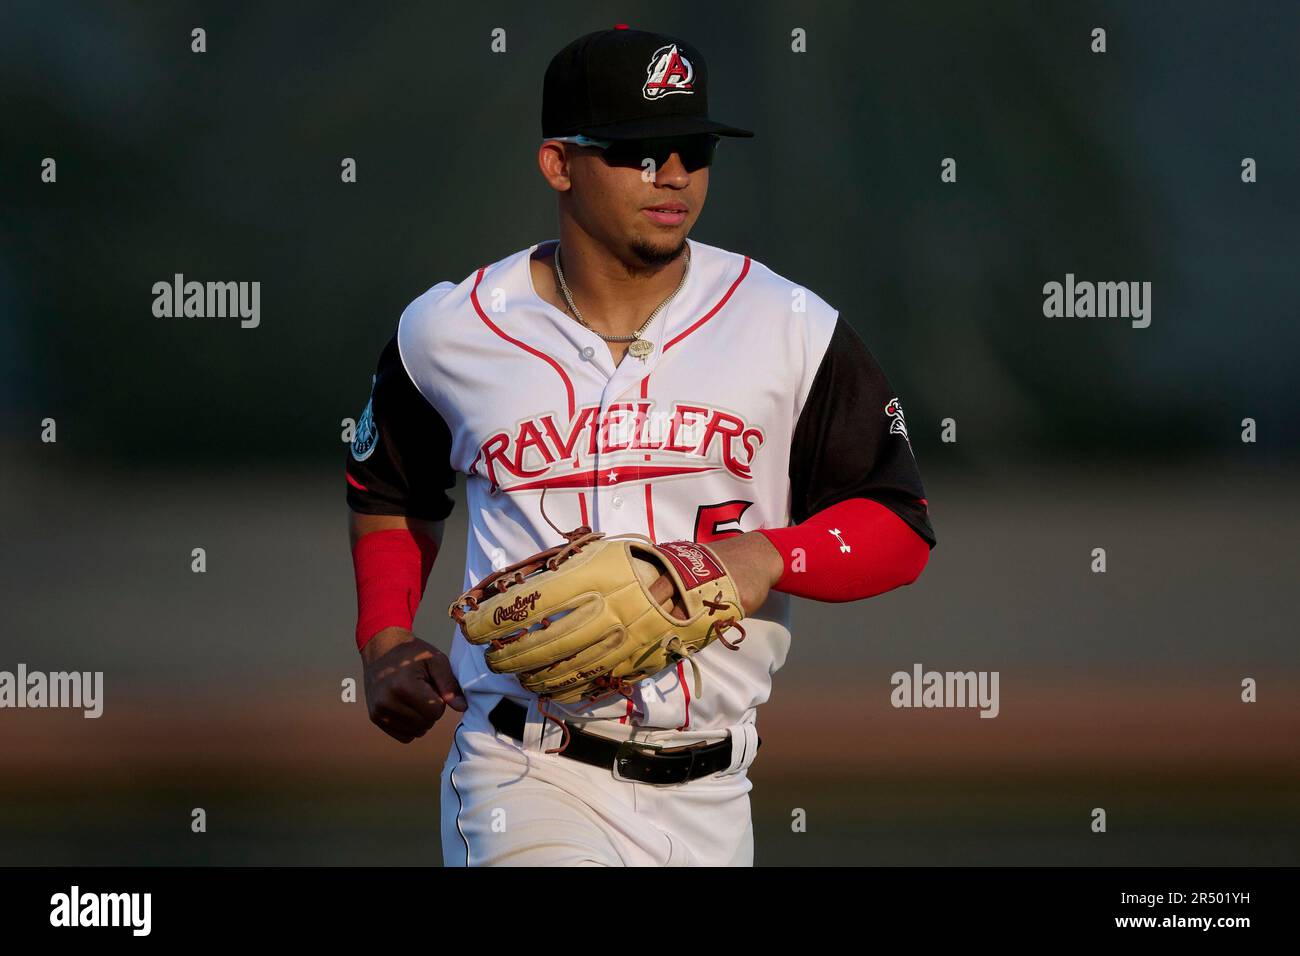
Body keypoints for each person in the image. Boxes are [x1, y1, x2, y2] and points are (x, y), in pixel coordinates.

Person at [345, 25, 936, 866]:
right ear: (558, 164)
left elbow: (898, 523)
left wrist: (762, 557)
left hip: (716, 795)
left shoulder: (789, 326)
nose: (673, 176)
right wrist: (382, 639)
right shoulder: (451, 331)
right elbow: (391, 490)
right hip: (527, 768)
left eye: (691, 148)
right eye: (636, 150)